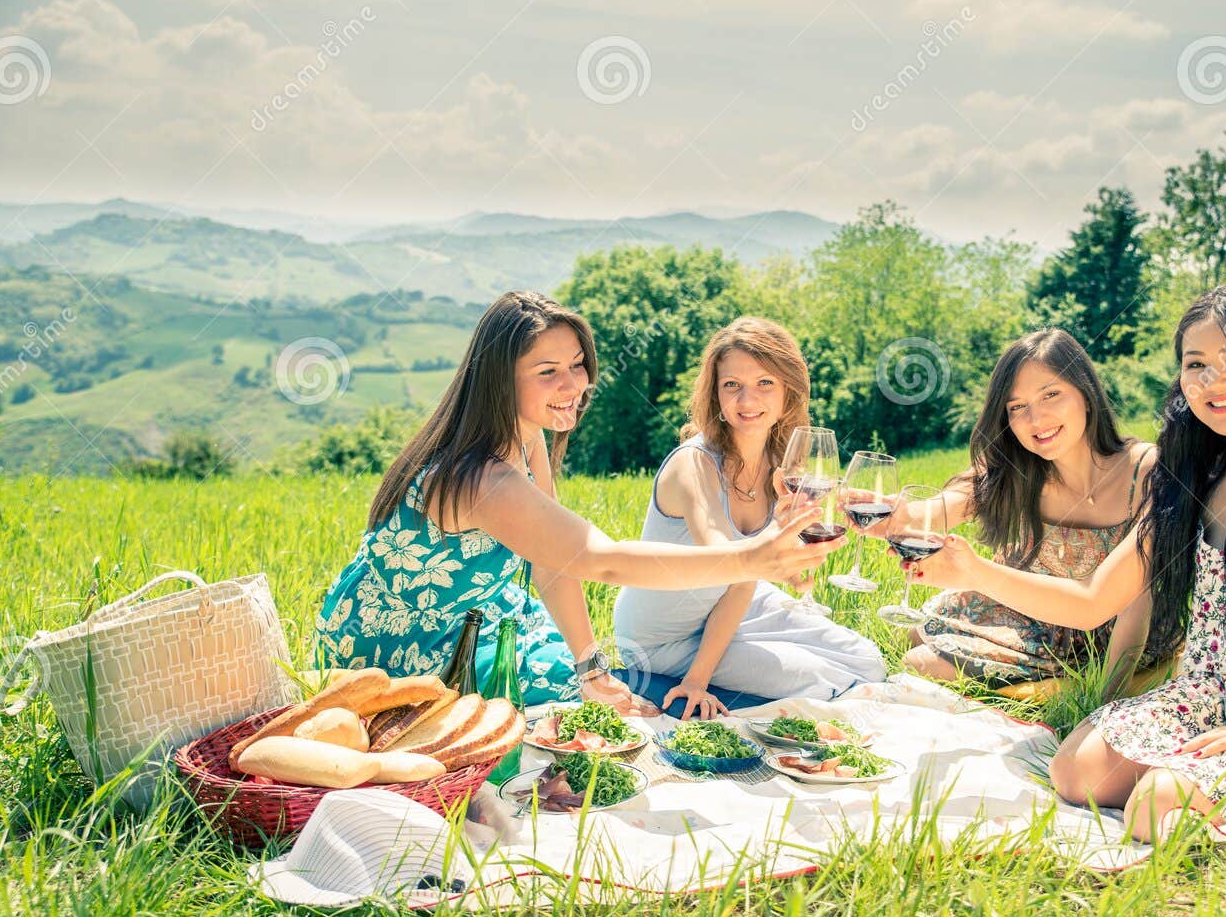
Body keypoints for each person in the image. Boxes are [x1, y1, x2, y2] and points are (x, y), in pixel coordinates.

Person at [896, 281, 1226, 841]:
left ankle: (1212, 807)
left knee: (1156, 802)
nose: (1214, 381)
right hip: (1211, 697)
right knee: (1076, 770)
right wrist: (971, 570)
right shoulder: (1195, 474)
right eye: (1196, 364)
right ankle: (1203, 790)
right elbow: (1092, 604)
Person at [315, 291, 842, 714]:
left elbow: (553, 562)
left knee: (606, 690)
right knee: (600, 714)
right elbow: (600, 560)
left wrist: (589, 665)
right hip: (402, 649)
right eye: (548, 372)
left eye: (577, 364)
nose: (575, 385)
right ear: (500, 382)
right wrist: (749, 558)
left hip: (485, 616)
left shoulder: (526, 437)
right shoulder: (477, 477)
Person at [613, 318, 887, 718]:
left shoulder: (779, 463)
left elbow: (744, 581)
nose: (747, 400)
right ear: (715, 395)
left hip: (736, 603)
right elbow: (726, 558)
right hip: (662, 637)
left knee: (867, 660)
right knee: (824, 679)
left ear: (787, 391)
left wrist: (794, 560)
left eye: (764, 383)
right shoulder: (694, 463)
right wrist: (695, 681)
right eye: (732, 386)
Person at [892, 329, 1163, 697]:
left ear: (1086, 395)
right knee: (908, 633)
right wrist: (894, 514)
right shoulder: (1015, 466)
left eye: (1051, 394)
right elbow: (934, 511)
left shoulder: (1146, 472)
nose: (1036, 419)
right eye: (1017, 407)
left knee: (921, 664)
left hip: (1095, 635)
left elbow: (1136, 607)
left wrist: (1103, 702)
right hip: (1022, 609)